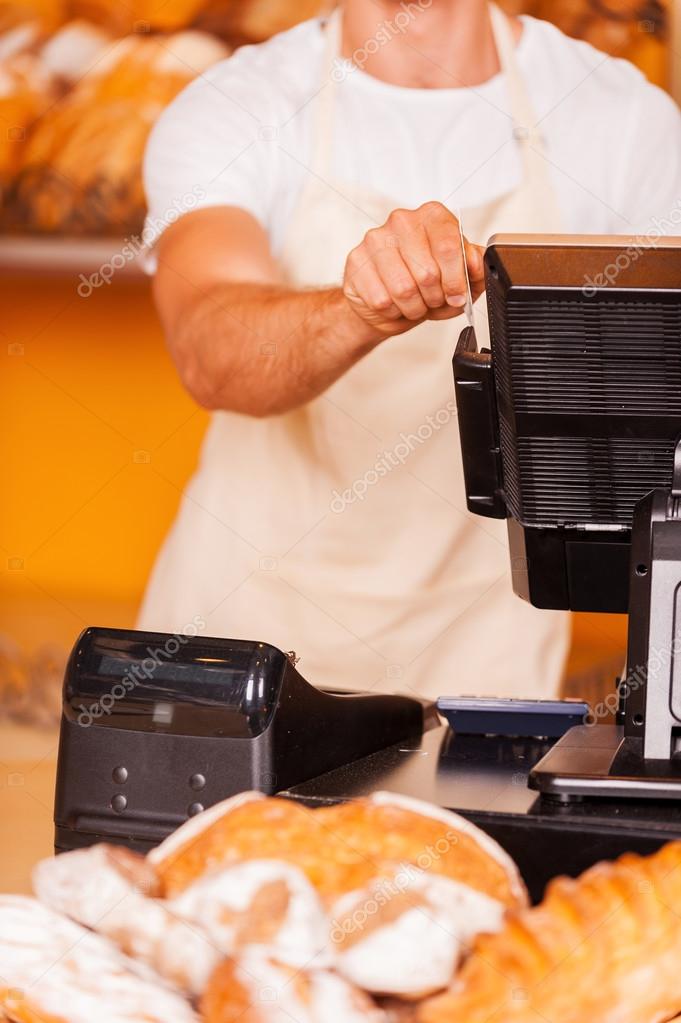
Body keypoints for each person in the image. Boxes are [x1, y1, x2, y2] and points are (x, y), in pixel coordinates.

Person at [138, 0, 681, 700]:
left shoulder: (622, 119)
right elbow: (210, 349)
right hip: (243, 644)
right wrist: (356, 310)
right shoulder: (237, 104)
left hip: (485, 658)